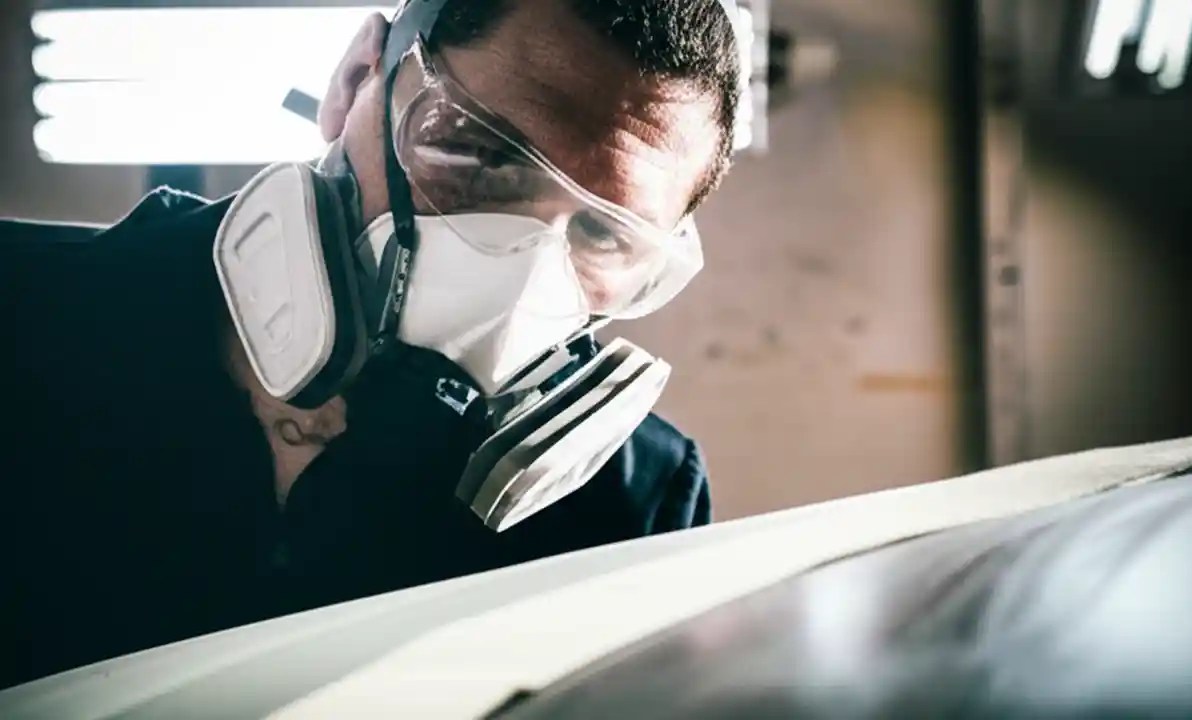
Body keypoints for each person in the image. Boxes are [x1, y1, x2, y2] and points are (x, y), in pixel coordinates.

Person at [0, 0, 743, 689]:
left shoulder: (632, 505)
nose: (519, 278)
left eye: (603, 232)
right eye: (480, 157)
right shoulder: (25, 312)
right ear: (356, 80)